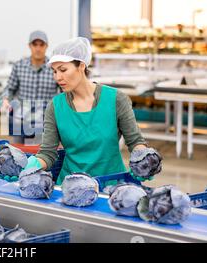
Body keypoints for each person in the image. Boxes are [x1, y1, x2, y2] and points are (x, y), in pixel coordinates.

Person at [22, 37, 162, 185]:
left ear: (81, 66)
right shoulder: (56, 106)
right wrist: (30, 166)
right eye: (54, 71)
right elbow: (48, 154)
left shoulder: (115, 99)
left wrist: (144, 160)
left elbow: (135, 142)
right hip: (70, 188)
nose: (57, 77)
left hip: (111, 187)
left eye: (63, 70)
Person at [1, 30, 59, 144]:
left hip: (45, 120)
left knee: (41, 153)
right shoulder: (19, 66)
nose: (38, 48)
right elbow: (10, 88)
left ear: (46, 46)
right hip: (21, 119)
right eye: (35, 44)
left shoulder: (54, 67)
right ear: (29, 46)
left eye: (41, 45)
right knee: (17, 153)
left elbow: (63, 92)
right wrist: (5, 100)